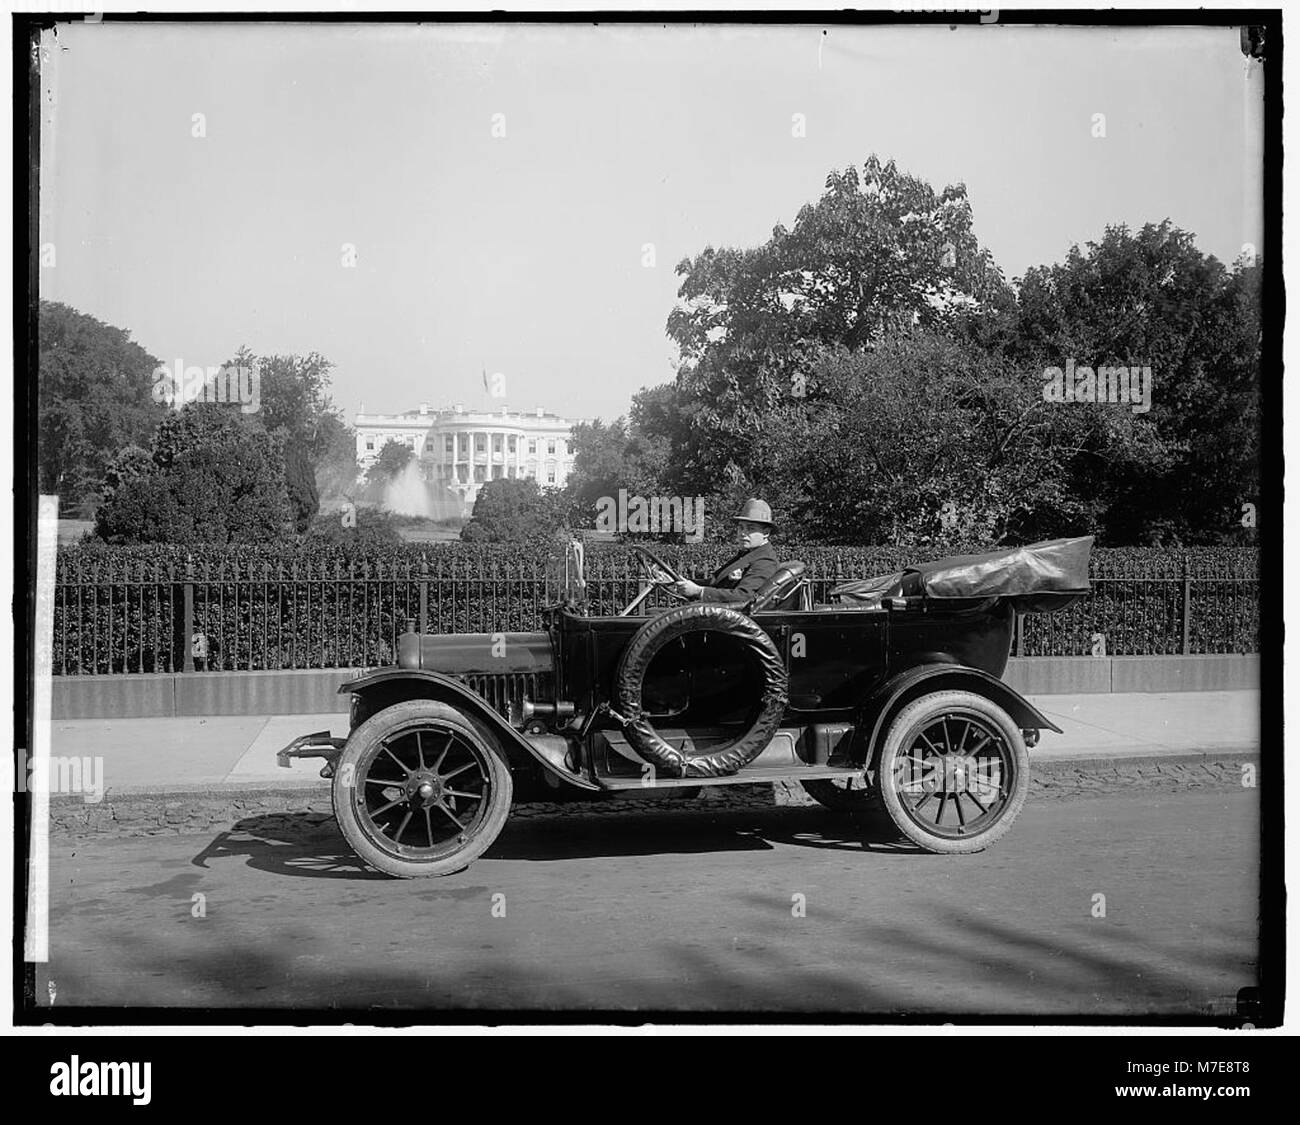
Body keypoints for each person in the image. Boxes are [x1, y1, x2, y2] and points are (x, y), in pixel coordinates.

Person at [672, 499, 779, 604]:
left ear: (766, 533)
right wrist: (681, 582)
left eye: (750, 529)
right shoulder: (748, 554)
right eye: (741, 528)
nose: (742, 533)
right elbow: (714, 581)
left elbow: (744, 596)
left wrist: (699, 591)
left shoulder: (766, 561)